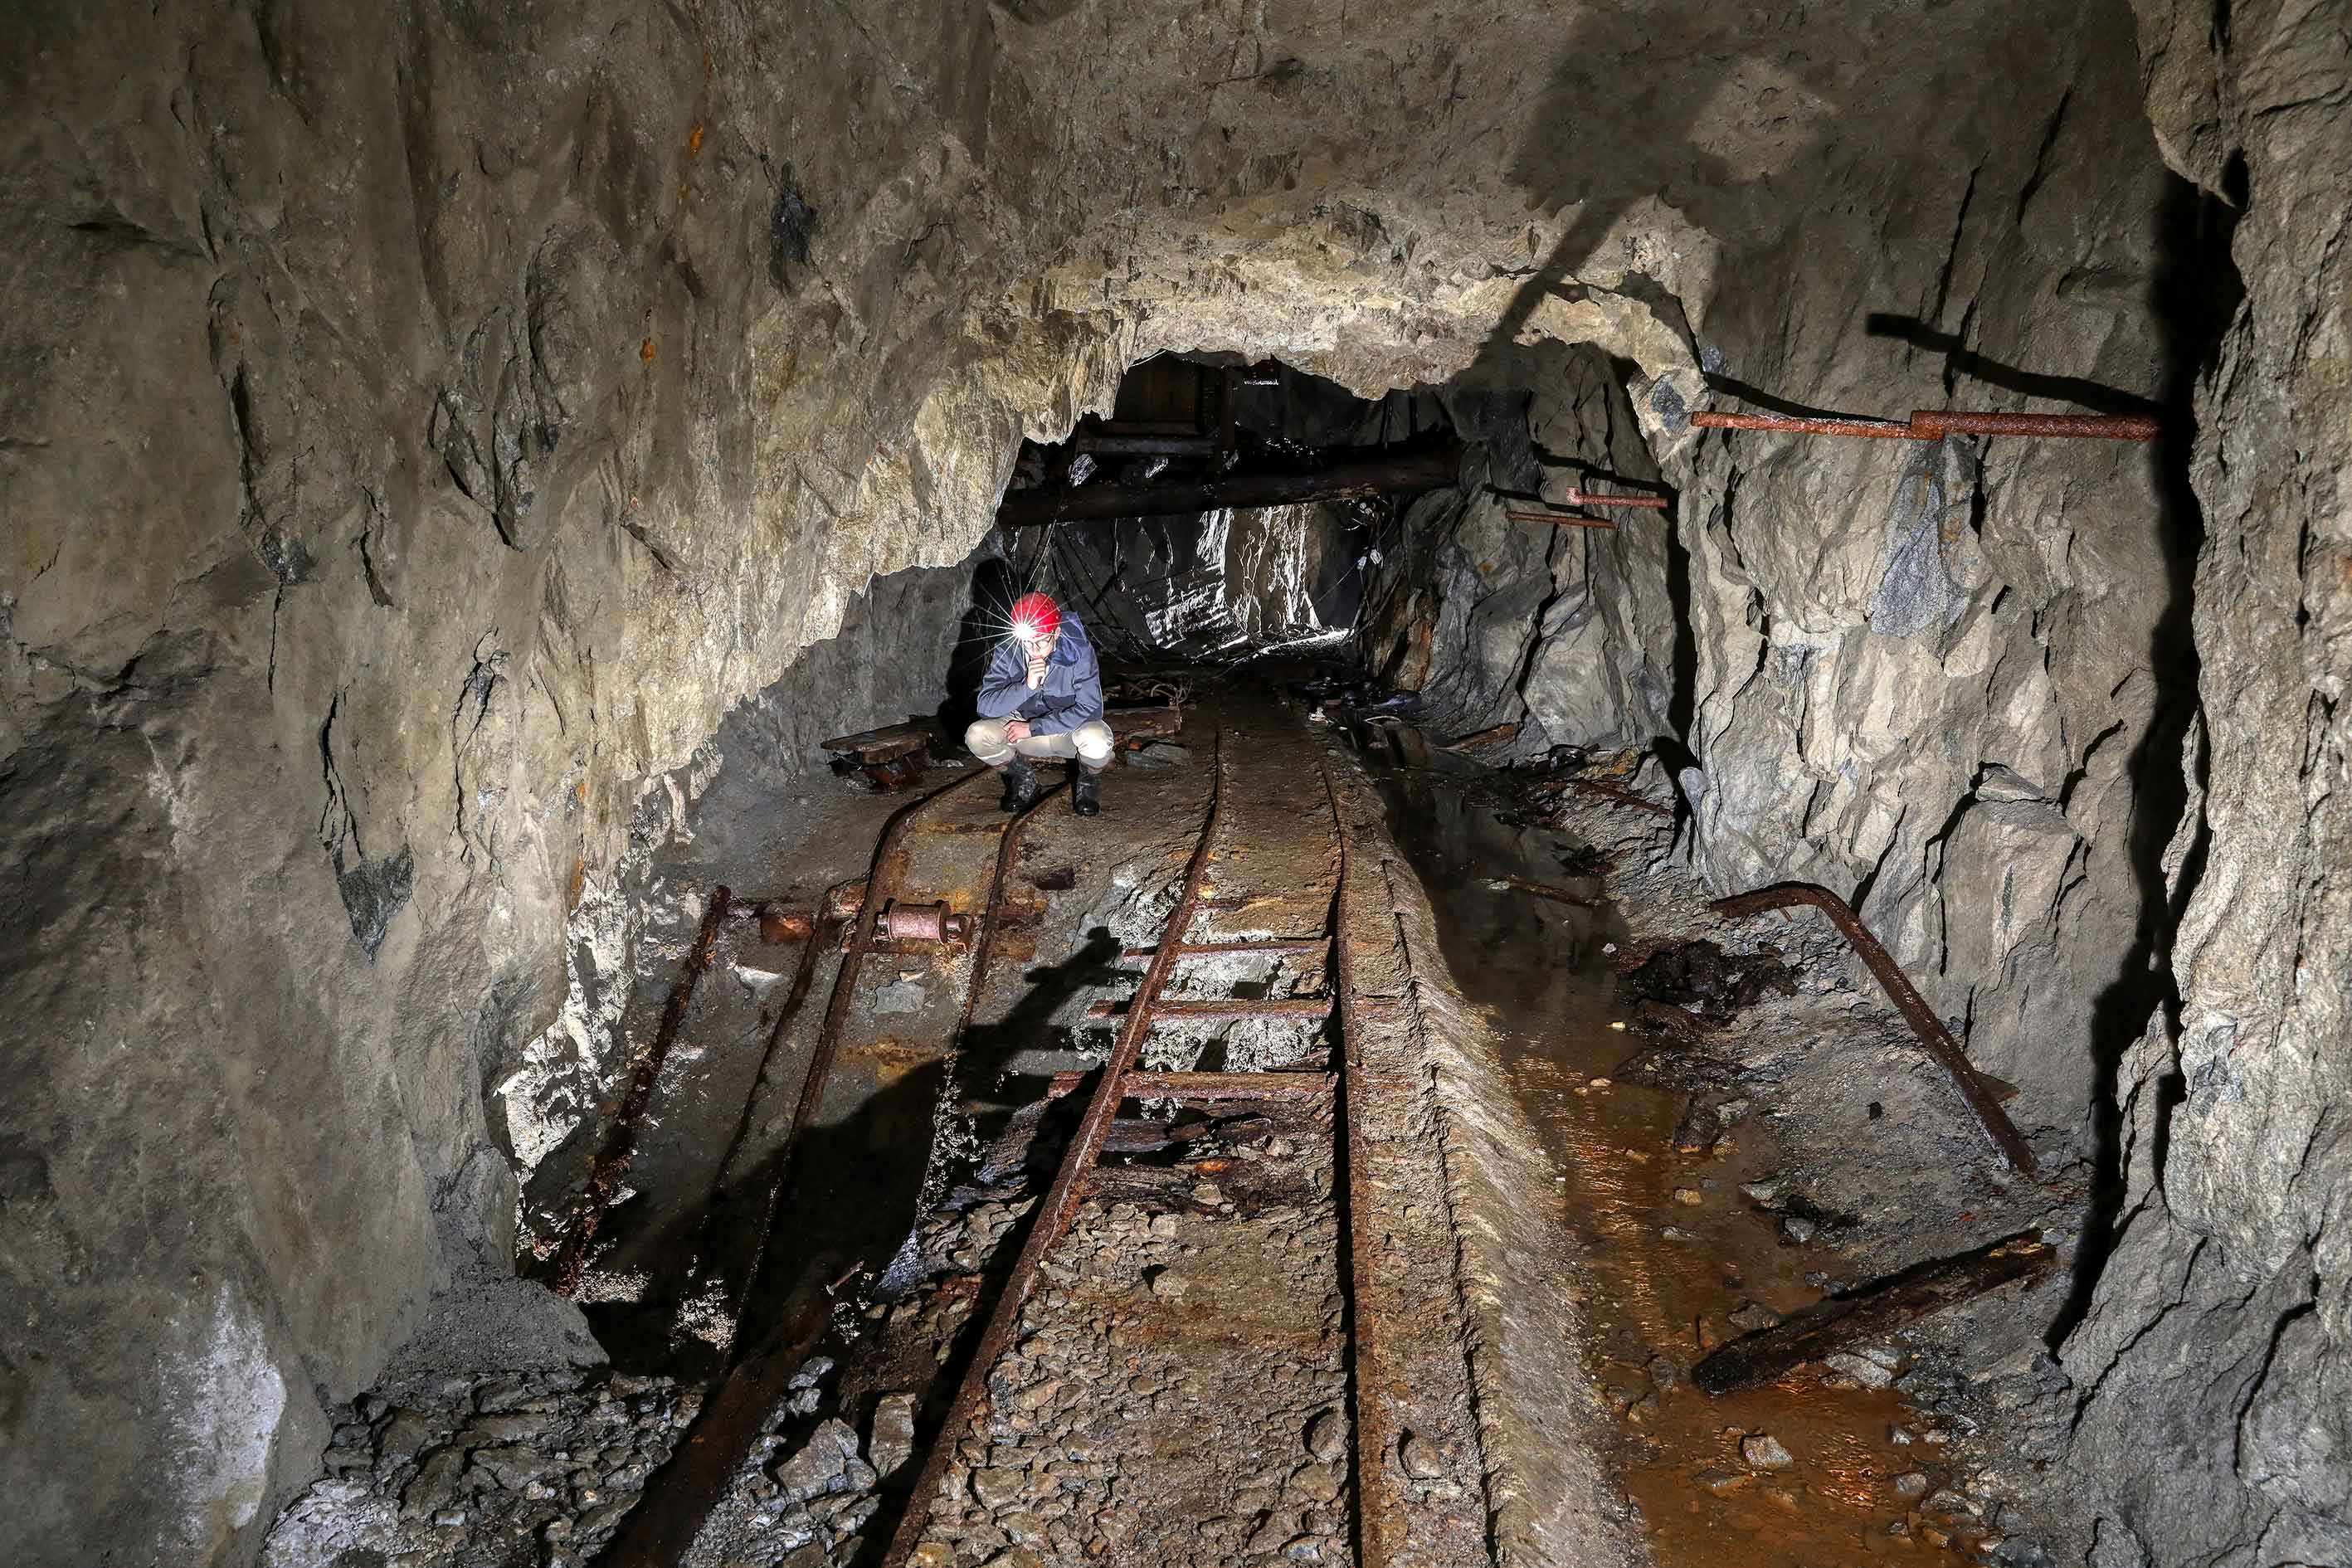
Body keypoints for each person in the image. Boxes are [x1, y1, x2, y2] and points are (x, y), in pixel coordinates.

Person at [964, 592, 1114, 816]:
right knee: (977, 735)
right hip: (1023, 733)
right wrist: (1027, 687)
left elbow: (1091, 709)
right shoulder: (1008, 651)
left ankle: (1087, 783)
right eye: (1027, 643)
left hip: (1066, 735)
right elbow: (986, 706)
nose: (1034, 650)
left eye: (1042, 641)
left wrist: (1034, 728)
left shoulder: (1079, 651)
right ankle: (1023, 779)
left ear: (1057, 632)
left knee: (1097, 740)